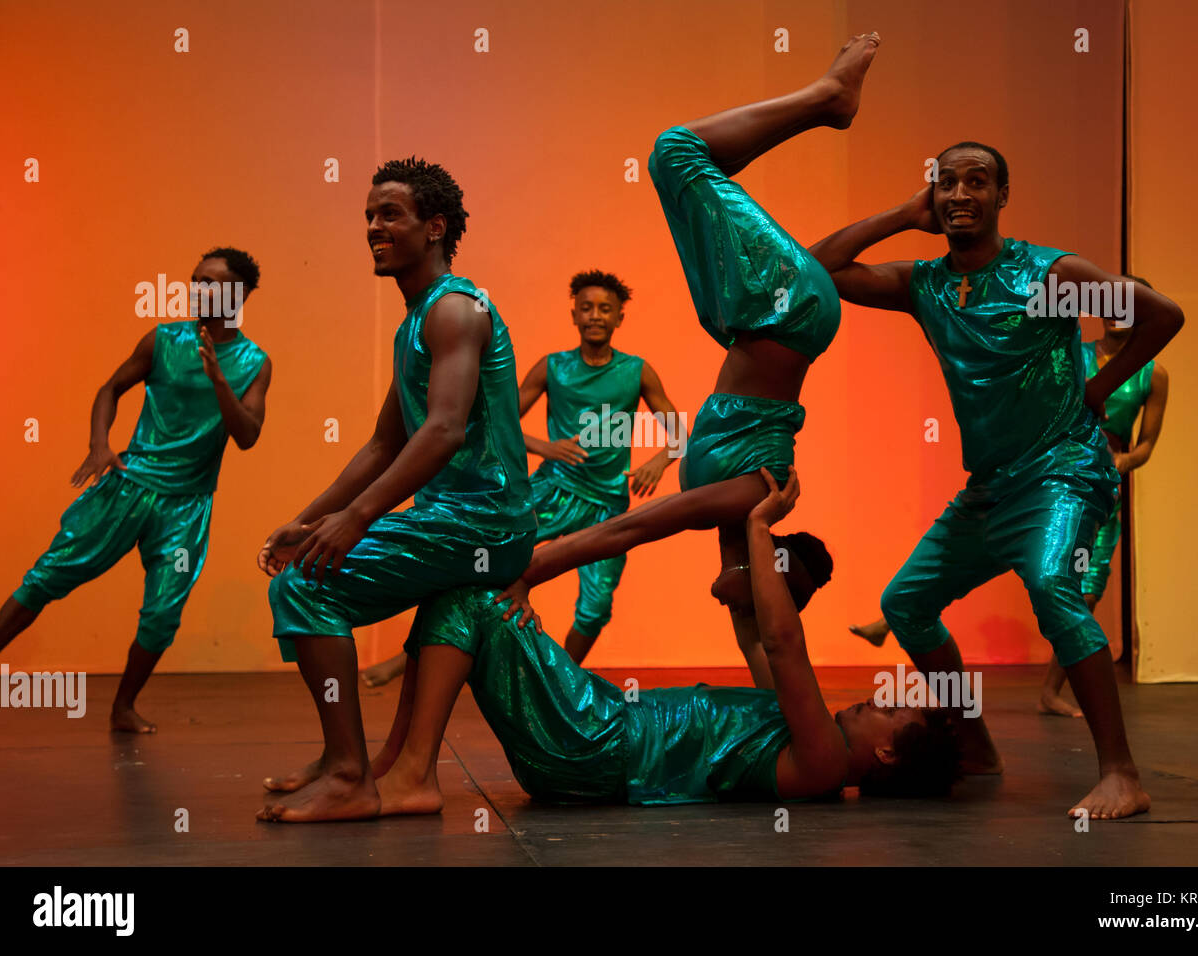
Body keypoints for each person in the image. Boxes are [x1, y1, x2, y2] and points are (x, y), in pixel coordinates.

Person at [809, 136, 1183, 817]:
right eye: (946, 183)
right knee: (905, 606)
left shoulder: (1048, 275)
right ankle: (975, 743)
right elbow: (817, 269)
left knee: (1052, 586)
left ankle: (1122, 774)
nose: (960, 195)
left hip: (1064, 468)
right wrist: (902, 213)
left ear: (1002, 196)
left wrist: (1099, 389)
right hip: (990, 489)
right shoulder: (924, 285)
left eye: (976, 182)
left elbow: (1163, 314)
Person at [494, 34, 883, 688]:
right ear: (769, 568)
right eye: (747, 583)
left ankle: (555, 673)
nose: (720, 591)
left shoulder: (736, 526)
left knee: (692, 179)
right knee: (675, 153)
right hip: (785, 314)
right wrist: (531, 571)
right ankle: (826, 98)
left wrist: (656, 457)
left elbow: (762, 643)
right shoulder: (753, 492)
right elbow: (635, 528)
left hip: (753, 320)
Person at [368, 469, 961, 813]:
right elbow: (759, 634)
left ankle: (413, 772)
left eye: (889, 712)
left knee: (470, 596)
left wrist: (758, 521)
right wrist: (740, 533)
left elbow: (783, 643)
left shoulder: (824, 762)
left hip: (596, 743)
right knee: (461, 590)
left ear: (887, 754)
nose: (875, 701)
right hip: (596, 728)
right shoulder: (802, 735)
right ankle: (398, 764)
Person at [256, 157, 535, 823]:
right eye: (369, 217)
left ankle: (351, 775)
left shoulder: (456, 312)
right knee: (305, 560)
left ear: (434, 227)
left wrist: (354, 520)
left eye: (390, 215)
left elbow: (441, 431)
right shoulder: (417, 321)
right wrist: (310, 518)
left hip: (485, 520)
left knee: (302, 586)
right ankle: (349, 764)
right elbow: (384, 443)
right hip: (457, 517)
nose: (374, 228)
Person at [0, 248, 270, 733]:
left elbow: (247, 436)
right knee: (47, 577)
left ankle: (122, 708)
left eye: (210, 282)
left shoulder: (254, 362)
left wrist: (219, 380)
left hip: (187, 505)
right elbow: (110, 389)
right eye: (194, 279)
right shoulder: (162, 340)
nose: (197, 288)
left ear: (238, 295)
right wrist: (100, 444)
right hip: (129, 487)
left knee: (162, 615)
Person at [359, 268, 682, 685]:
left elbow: (680, 433)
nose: (595, 316)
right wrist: (545, 447)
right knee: (481, 567)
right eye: (587, 308)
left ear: (620, 317)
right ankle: (409, 661)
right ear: (574, 315)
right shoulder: (553, 368)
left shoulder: (638, 372)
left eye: (605, 309)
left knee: (596, 607)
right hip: (552, 490)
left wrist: (659, 460)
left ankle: (558, 681)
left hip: (608, 503)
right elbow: (499, 417)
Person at [1040, 284, 1170, 716]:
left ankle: (1051, 690)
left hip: (1104, 488)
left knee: (1087, 590)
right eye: (1112, 301)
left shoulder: (1153, 374)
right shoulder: (1073, 353)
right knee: (1017, 557)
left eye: (1130, 305)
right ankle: (903, 612)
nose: (1118, 311)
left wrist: (1122, 462)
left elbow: (1146, 445)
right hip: (1059, 476)